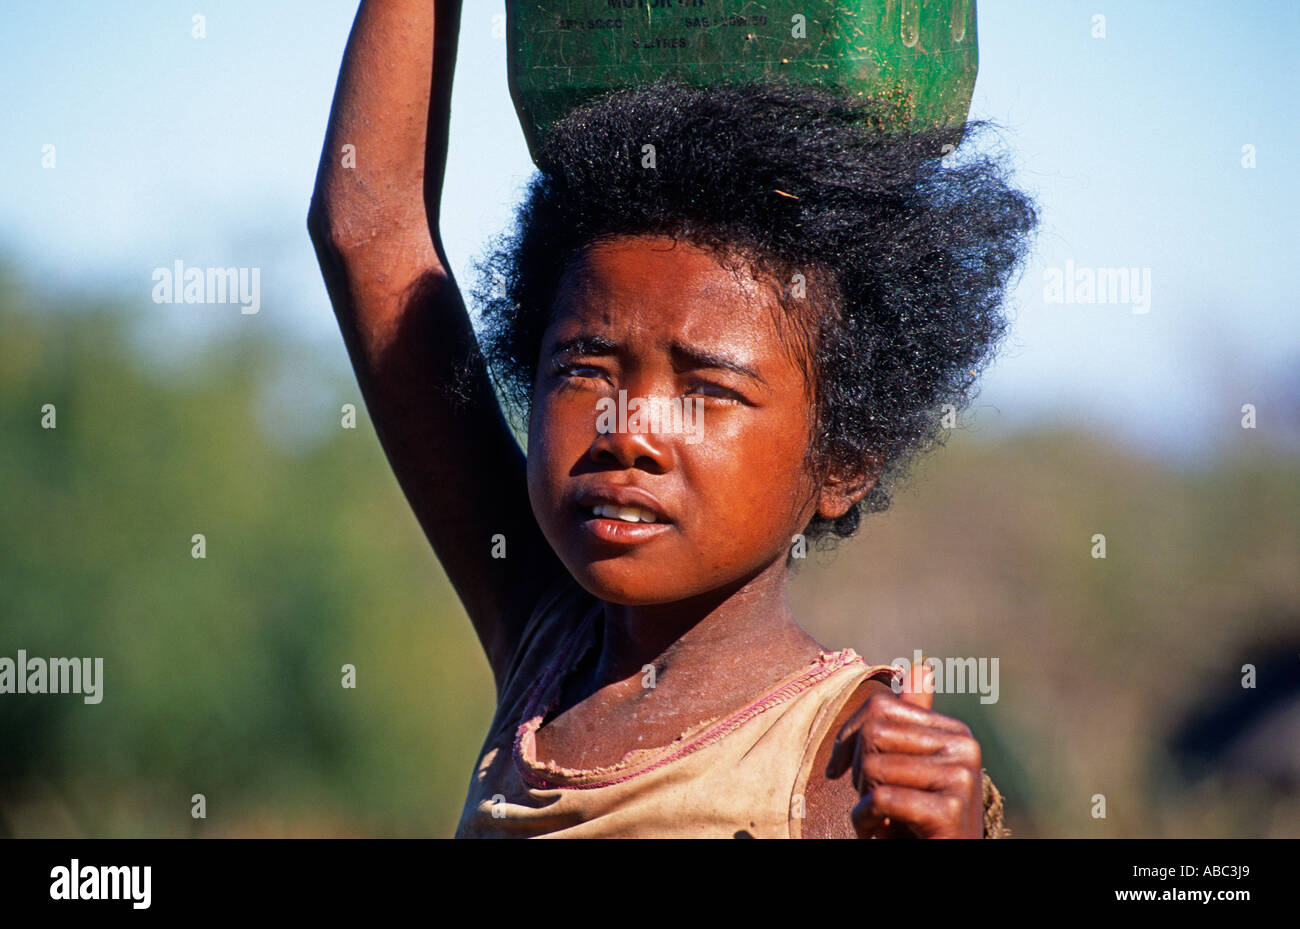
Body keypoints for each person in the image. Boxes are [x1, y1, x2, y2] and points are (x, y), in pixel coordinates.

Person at [308, 0, 1036, 838]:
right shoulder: (544, 650)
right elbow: (367, 230)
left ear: (843, 458)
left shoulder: (843, 761)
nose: (626, 429)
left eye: (708, 391)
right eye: (584, 369)